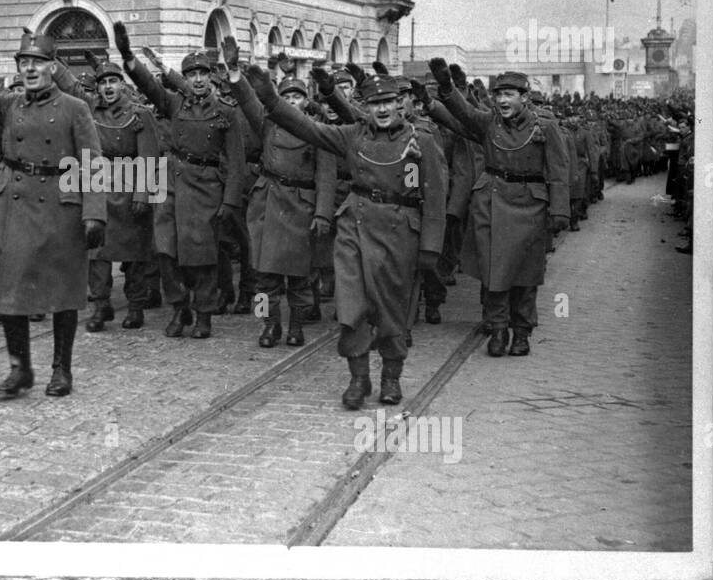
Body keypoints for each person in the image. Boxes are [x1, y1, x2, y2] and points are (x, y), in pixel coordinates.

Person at [236, 61, 446, 407]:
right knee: (351, 307)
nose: (382, 109)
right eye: (375, 104)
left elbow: (434, 194)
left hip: (399, 233)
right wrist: (269, 98)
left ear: (399, 104)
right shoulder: (353, 136)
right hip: (355, 227)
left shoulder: (419, 139)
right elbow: (305, 126)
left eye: (388, 102)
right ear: (365, 107)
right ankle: (358, 378)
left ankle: (390, 378)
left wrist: (430, 247)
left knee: (392, 310)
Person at [0, 3, 106, 397]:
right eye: (24, 62)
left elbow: (92, 163)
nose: (29, 69)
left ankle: (62, 370)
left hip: (60, 209)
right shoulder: (9, 105)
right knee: (10, 293)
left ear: (52, 67)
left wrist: (95, 214)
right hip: (14, 206)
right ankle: (20, 369)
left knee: (62, 294)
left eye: (37, 62)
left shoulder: (75, 108)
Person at [428, 60, 570, 357]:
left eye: (509, 95)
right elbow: (463, 113)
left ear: (524, 97)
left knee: (526, 274)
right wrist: (446, 87)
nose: (502, 101)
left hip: (530, 207)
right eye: (498, 95)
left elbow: (558, 170)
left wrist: (560, 211)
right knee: (494, 274)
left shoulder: (545, 127)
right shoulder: (489, 123)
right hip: (492, 203)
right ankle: (497, 330)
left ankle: (521, 332)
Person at [117, 24, 244, 339]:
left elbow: (237, 163)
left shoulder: (227, 112)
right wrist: (128, 57)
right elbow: (148, 85)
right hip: (171, 185)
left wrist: (229, 201)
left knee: (202, 257)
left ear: (211, 77)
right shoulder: (174, 104)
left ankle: (203, 315)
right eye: (192, 75)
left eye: (203, 74)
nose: (198, 80)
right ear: (185, 79)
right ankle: (178, 308)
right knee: (166, 252)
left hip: (206, 190)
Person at [226, 45, 336, 349]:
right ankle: (269, 325)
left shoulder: (319, 132)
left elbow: (326, 177)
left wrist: (322, 214)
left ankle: (296, 326)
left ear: (306, 102)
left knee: (299, 278)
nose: (290, 103)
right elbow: (248, 100)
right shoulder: (268, 123)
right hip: (268, 203)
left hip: (301, 207)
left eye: (296, 98)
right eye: (285, 98)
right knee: (264, 277)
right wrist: (235, 73)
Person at [53, 55, 160, 331]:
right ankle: (101, 306)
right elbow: (71, 86)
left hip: (129, 185)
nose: (108, 87)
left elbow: (149, 156)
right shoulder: (89, 108)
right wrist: (51, 61)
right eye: (103, 83)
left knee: (135, 253)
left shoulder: (140, 114)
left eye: (113, 81)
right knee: (96, 252)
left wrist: (142, 195)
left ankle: (136, 306)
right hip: (99, 185)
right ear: (98, 88)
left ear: (122, 85)